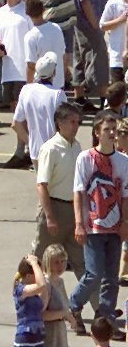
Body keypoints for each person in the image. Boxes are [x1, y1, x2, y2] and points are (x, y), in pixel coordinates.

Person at [70, 111, 128, 337]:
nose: (112, 134)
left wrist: (124, 222)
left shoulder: (123, 162)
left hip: (114, 228)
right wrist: (78, 223)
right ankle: (74, 306)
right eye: (107, 130)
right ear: (97, 133)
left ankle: (105, 319)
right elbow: (78, 192)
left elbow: (124, 195)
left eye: (114, 129)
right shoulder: (85, 159)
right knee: (93, 273)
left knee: (112, 277)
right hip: (93, 226)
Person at [34, 102, 84, 282]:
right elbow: (42, 185)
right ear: (59, 123)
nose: (76, 127)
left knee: (82, 263)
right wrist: (49, 217)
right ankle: (28, 300)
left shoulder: (76, 146)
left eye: (78, 122)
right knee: (39, 261)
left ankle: (98, 308)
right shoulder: (51, 149)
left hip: (73, 209)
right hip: (54, 207)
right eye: (72, 122)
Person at [14, 254, 50, 347]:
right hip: (25, 338)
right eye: (38, 274)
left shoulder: (34, 294)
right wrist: (34, 263)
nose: (41, 276)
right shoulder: (20, 290)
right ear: (29, 276)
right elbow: (41, 285)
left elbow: (43, 307)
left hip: (37, 338)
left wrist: (45, 285)